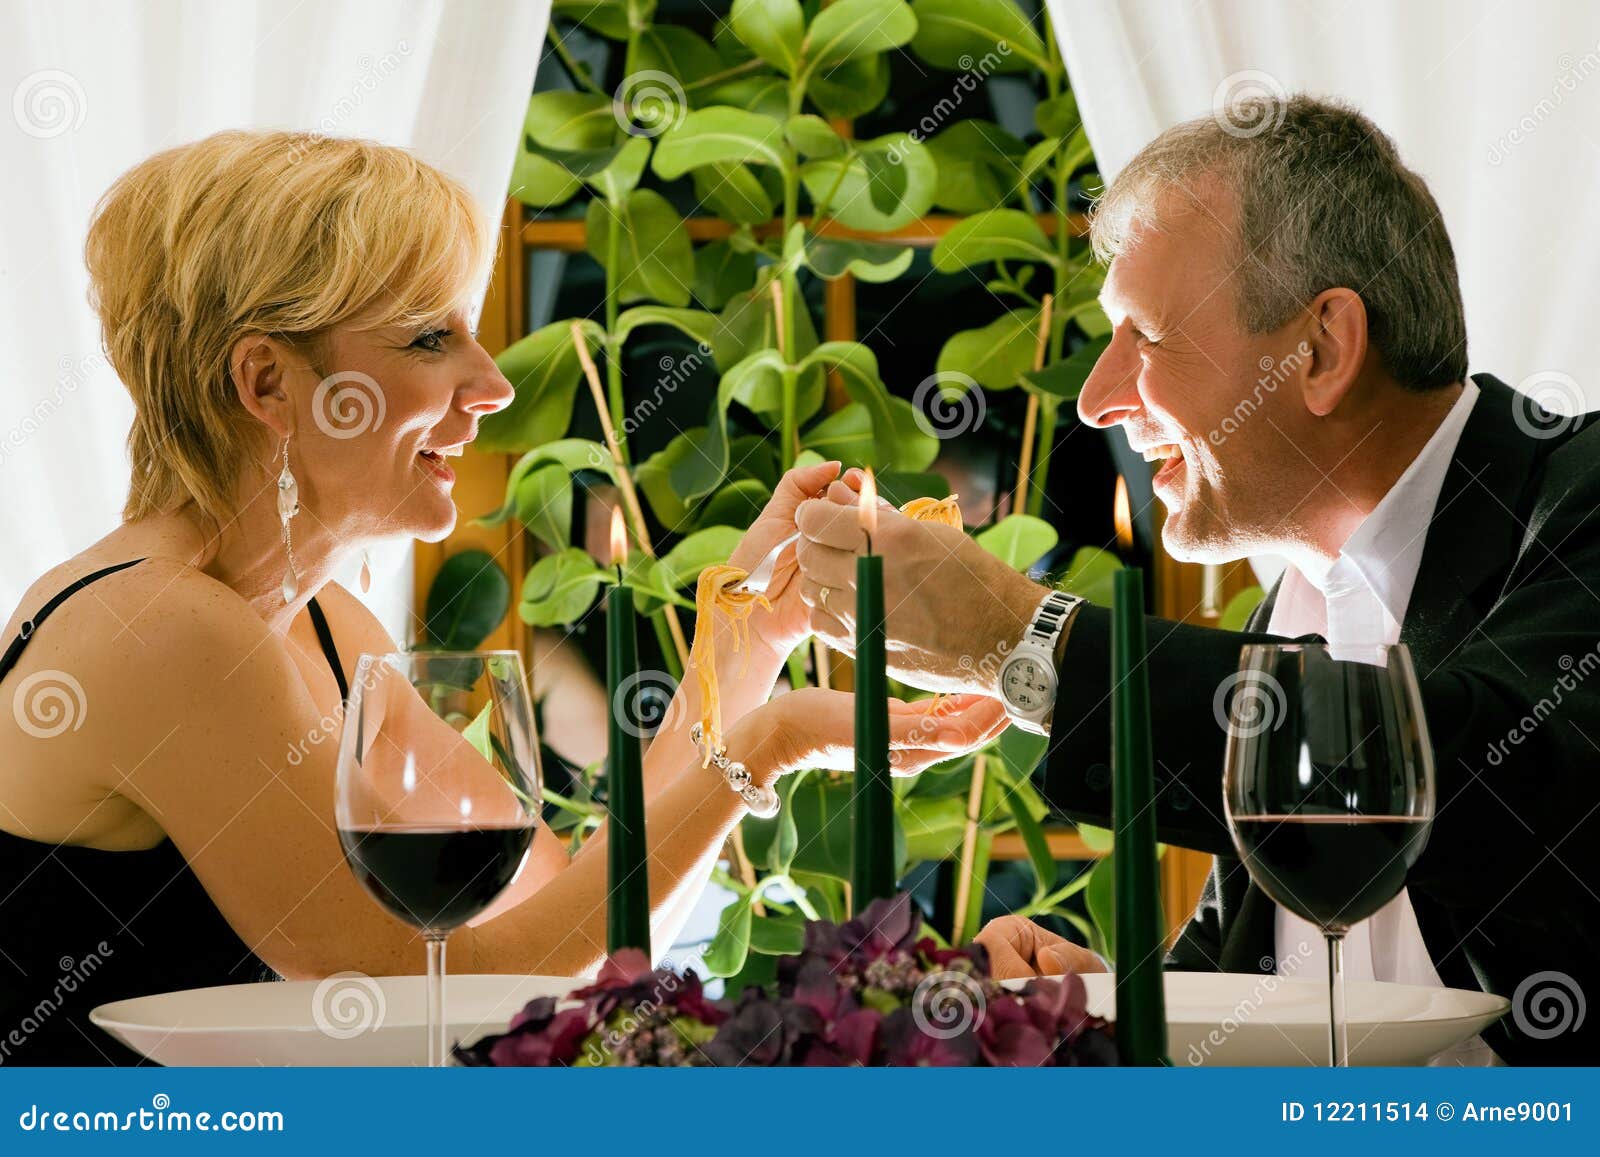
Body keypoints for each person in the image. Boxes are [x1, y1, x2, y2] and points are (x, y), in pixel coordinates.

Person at [0, 130, 1006, 1065]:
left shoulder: (322, 625)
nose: (491, 384)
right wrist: (765, 746)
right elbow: (413, 988)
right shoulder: (158, 628)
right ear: (268, 382)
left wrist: (743, 643)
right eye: (430, 340)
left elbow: (561, 910)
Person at [795, 95, 1600, 1066]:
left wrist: (1026, 636)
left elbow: (1501, 781)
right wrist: (1098, 1009)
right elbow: (1296, 1014)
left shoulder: (1579, 498)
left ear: (1321, 348)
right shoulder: (1296, 604)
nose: (1096, 399)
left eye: (1145, 334)